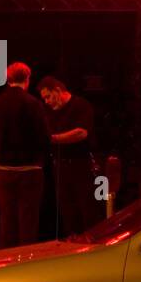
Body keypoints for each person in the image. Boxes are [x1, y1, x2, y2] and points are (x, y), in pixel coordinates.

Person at [0, 62, 51, 247]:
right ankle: (26, 258)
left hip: (3, 169)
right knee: (28, 219)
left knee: (6, 219)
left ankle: (7, 257)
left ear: (8, 79)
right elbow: (43, 136)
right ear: (27, 79)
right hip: (30, 169)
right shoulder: (33, 104)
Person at [38, 76, 98, 237]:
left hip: (81, 164)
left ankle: (92, 241)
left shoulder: (81, 105)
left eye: (48, 96)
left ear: (58, 90)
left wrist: (53, 139)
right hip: (59, 165)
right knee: (67, 209)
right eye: (44, 99)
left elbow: (81, 133)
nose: (47, 102)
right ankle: (72, 241)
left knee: (87, 207)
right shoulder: (49, 112)